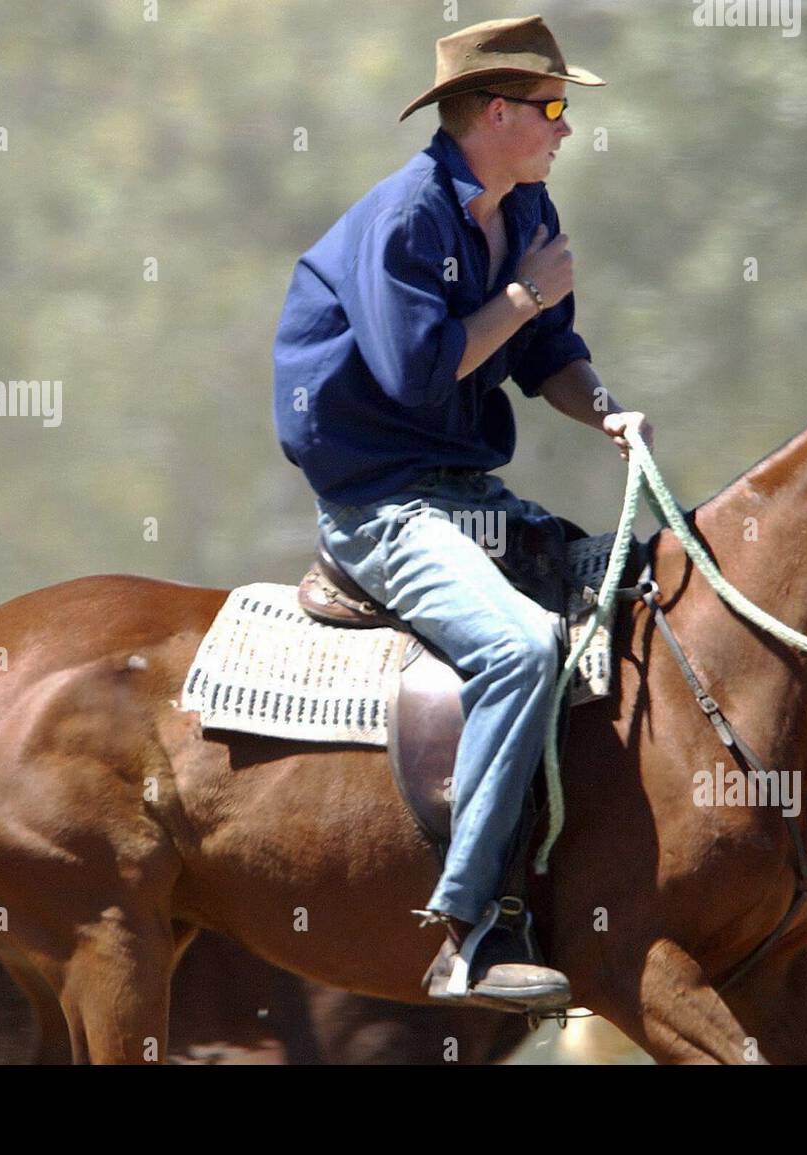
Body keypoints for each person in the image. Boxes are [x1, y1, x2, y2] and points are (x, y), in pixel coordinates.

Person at [272, 14, 654, 1010]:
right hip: (381, 507)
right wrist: (523, 298)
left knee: (633, 594)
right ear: (496, 113)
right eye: (554, 108)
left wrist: (606, 411)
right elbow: (416, 377)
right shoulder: (406, 219)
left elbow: (545, 360)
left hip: (464, 495)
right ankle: (473, 929)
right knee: (522, 649)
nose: (567, 129)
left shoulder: (528, 211)